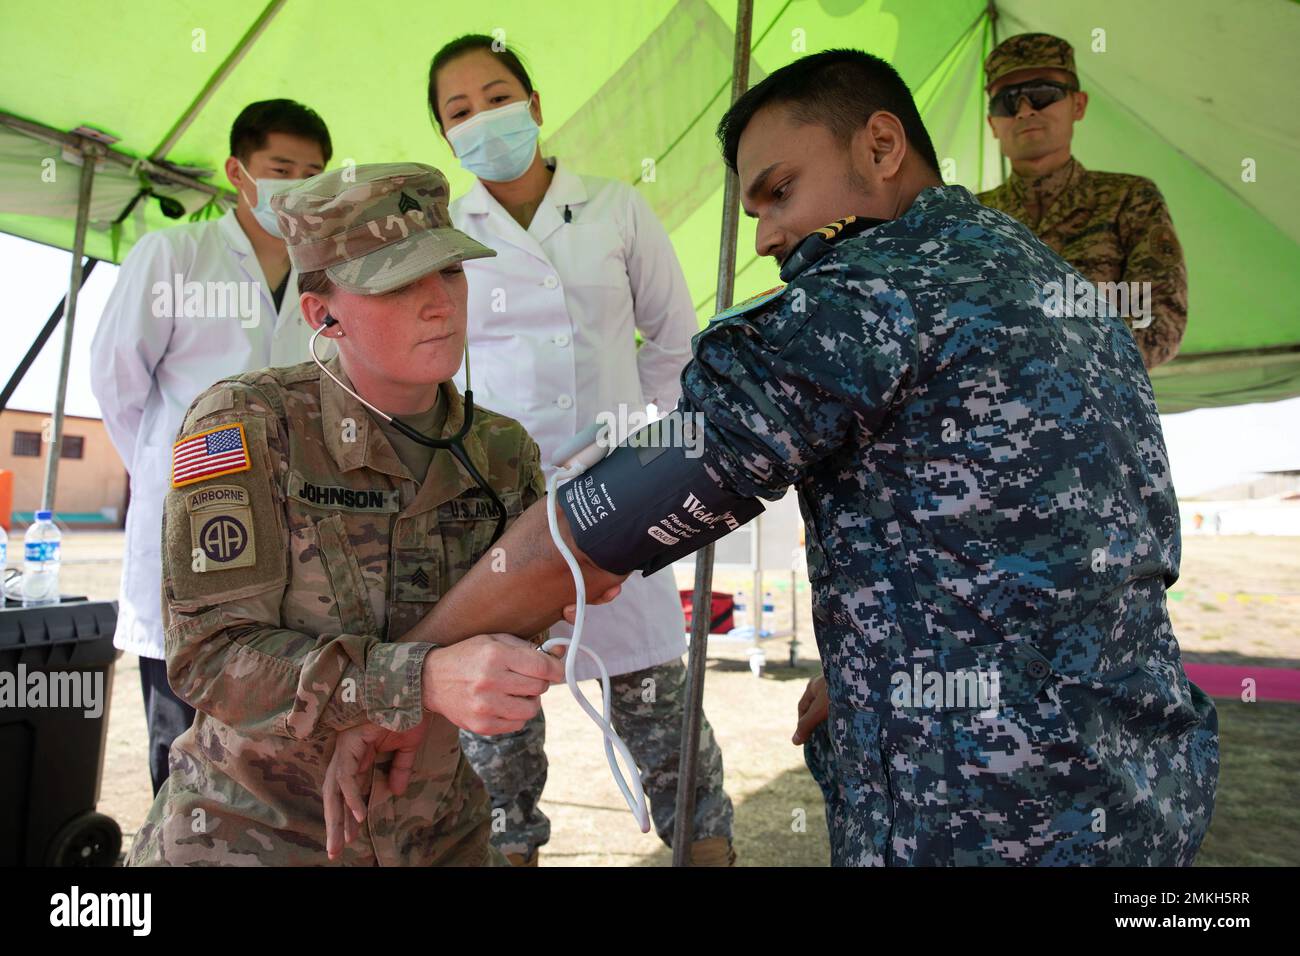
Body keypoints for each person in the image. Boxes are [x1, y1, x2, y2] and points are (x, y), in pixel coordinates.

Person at [326, 49, 1220, 867]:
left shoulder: (865, 295)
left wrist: (396, 684)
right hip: (1137, 787)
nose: (763, 236)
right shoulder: (1043, 275)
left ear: (881, 146)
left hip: (987, 818)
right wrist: (884, 658)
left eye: (780, 192)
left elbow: (592, 533)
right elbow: (1069, 537)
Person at [128, 162, 576, 866]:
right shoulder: (246, 424)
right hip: (254, 836)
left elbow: (518, 610)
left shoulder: (500, 450)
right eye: (397, 282)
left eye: (450, 271)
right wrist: (414, 681)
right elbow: (210, 655)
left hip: (437, 834)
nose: (440, 303)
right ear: (321, 314)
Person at [427, 34, 735, 866]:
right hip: (497, 512)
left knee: (666, 723)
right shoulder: (447, 235)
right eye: (460, 110)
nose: (483, 118)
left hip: (619, 495)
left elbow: (675, 345)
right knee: (496, 747)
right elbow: (435, 372)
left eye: (497, 97)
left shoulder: (615, 208)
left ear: (533, 104)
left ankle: (706, 851)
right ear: (445, 136)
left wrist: (652, 457)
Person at [90, 99, 333, 795]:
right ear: (237, 171)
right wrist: (165, 471)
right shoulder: (175, 255)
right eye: (280, 169)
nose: (295, 186)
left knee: (279, 735)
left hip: (296, 531)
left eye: (311, 174)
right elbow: (117, 381)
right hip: (189, 523)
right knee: (183, 739)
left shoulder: (325, 275)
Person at [977, 33, 1188, 370]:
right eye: (1007, 101)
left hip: (1100, 401)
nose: (1025, 111)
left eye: (1042, 93)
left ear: (1078, 104)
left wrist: (1039, 362)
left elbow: (1158, 323)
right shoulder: (972, 218)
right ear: (992, 123)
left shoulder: (1129, 199)